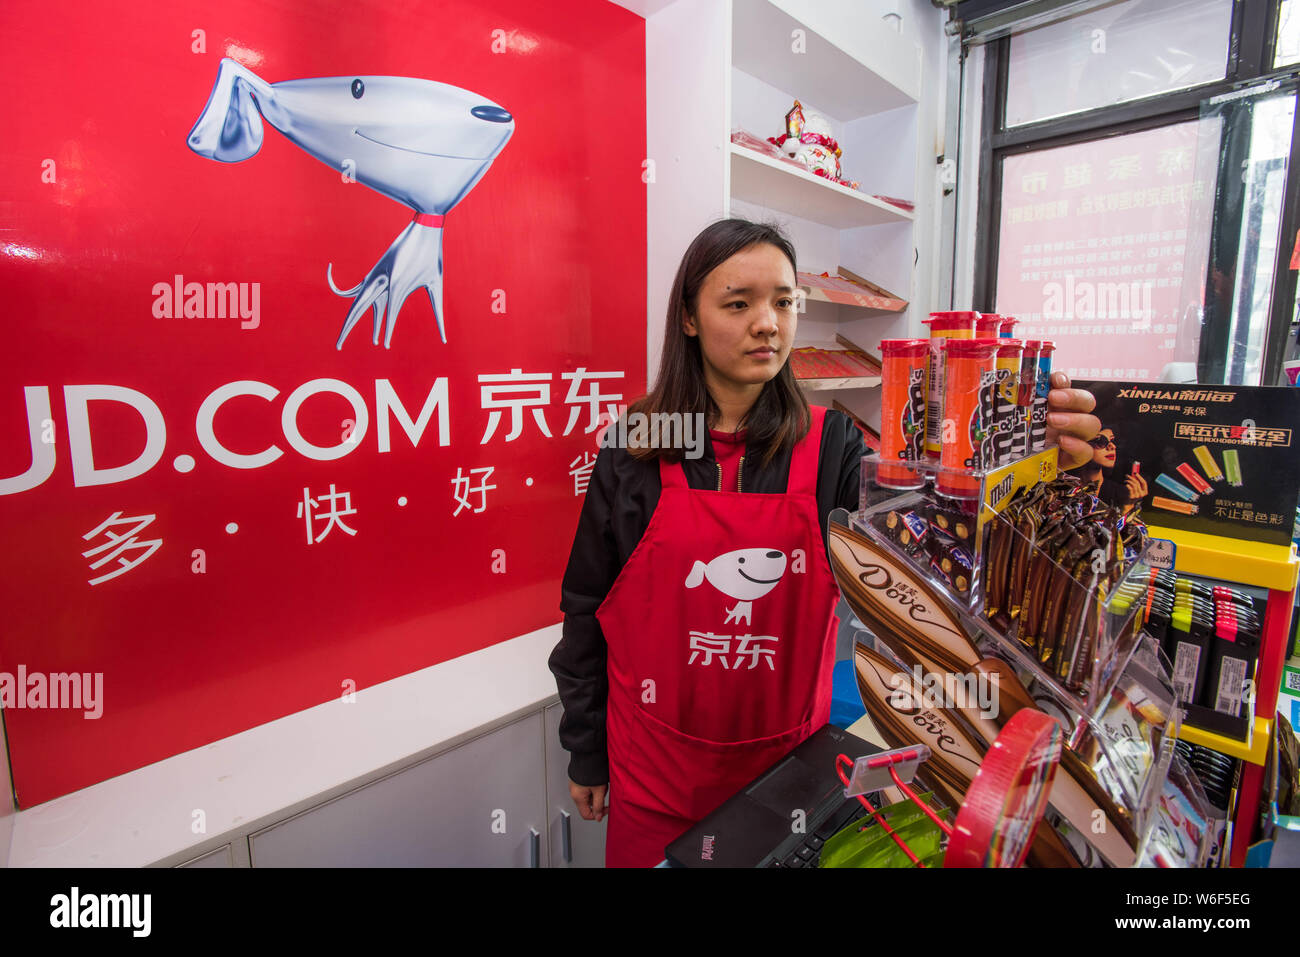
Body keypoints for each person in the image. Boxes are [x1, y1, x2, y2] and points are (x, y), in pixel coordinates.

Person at [547, 218, 1101, 867]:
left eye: (784, 301)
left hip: (789, 782)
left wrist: (1022, 468)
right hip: (652, 780)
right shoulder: (637, 447)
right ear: (689, 318)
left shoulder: (833, 445)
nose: (768, 322)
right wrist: (585, 748)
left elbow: (932, 557)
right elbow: (586, 610)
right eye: (738, 303)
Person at [1069, 427, 1148, 513]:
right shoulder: (1064, 485)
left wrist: (1128, 506)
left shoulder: (1121, 494)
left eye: (1113, 441)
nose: (1112, 446)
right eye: (1101, 441)